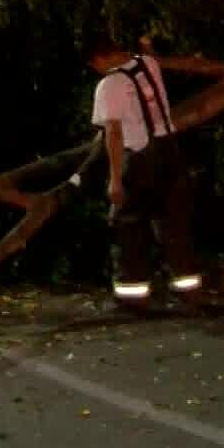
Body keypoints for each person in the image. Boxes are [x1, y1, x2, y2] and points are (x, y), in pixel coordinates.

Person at [88, 37, 201, 307]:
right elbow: (148, 58)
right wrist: (146, 43)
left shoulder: (109, 85)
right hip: (170, 152)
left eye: (94, 64)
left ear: (100, 58)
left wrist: (115, 179)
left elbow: (113, 133)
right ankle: (188, 292)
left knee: (129, 227)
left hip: (139, 159)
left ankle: (132, 296)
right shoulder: (149, 64)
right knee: (173, 224)